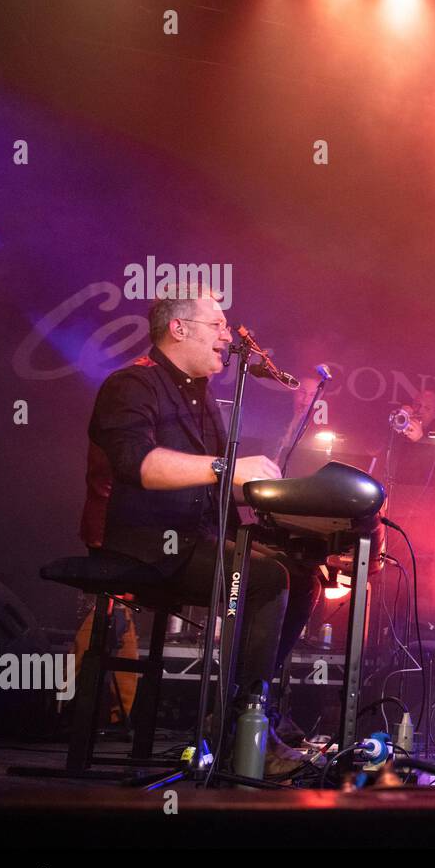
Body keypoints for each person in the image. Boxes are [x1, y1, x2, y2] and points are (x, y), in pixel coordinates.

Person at [84, 283, 323, 778]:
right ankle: (242, 725)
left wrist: (298, 500)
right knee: (266, 581)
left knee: (301, 575)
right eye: (216, 325)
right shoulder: (131, 384)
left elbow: (224, 484)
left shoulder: (199, 395)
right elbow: (138, 466)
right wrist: (226, 468)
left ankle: (245, 711)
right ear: (178, 329)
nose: (227, 336)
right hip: (145, 545)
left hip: (198, 537)